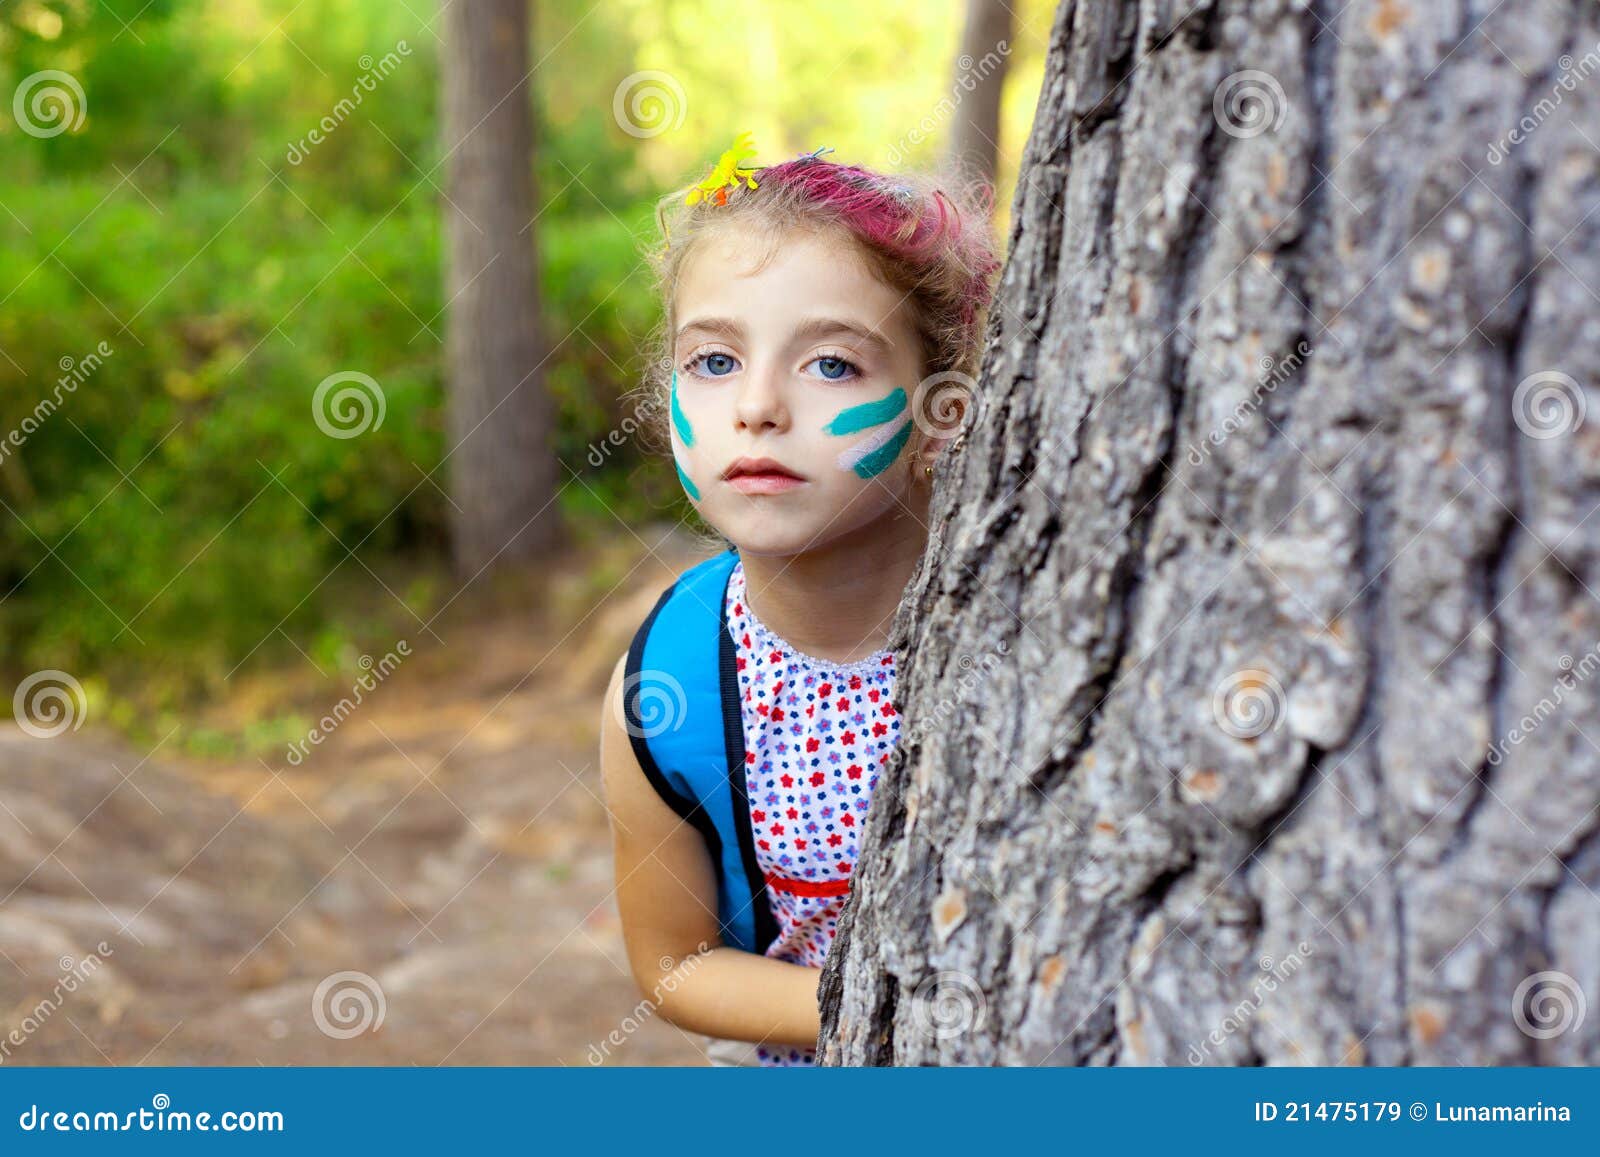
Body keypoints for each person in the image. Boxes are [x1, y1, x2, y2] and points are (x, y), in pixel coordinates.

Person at [598, 132, 1002, 1067]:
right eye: (713, 362)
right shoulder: (667, 690)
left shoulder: (1034, 617)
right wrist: (898, 1019)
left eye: (831, 365)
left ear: (941, 414)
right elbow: (673, 965)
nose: (757, 407)